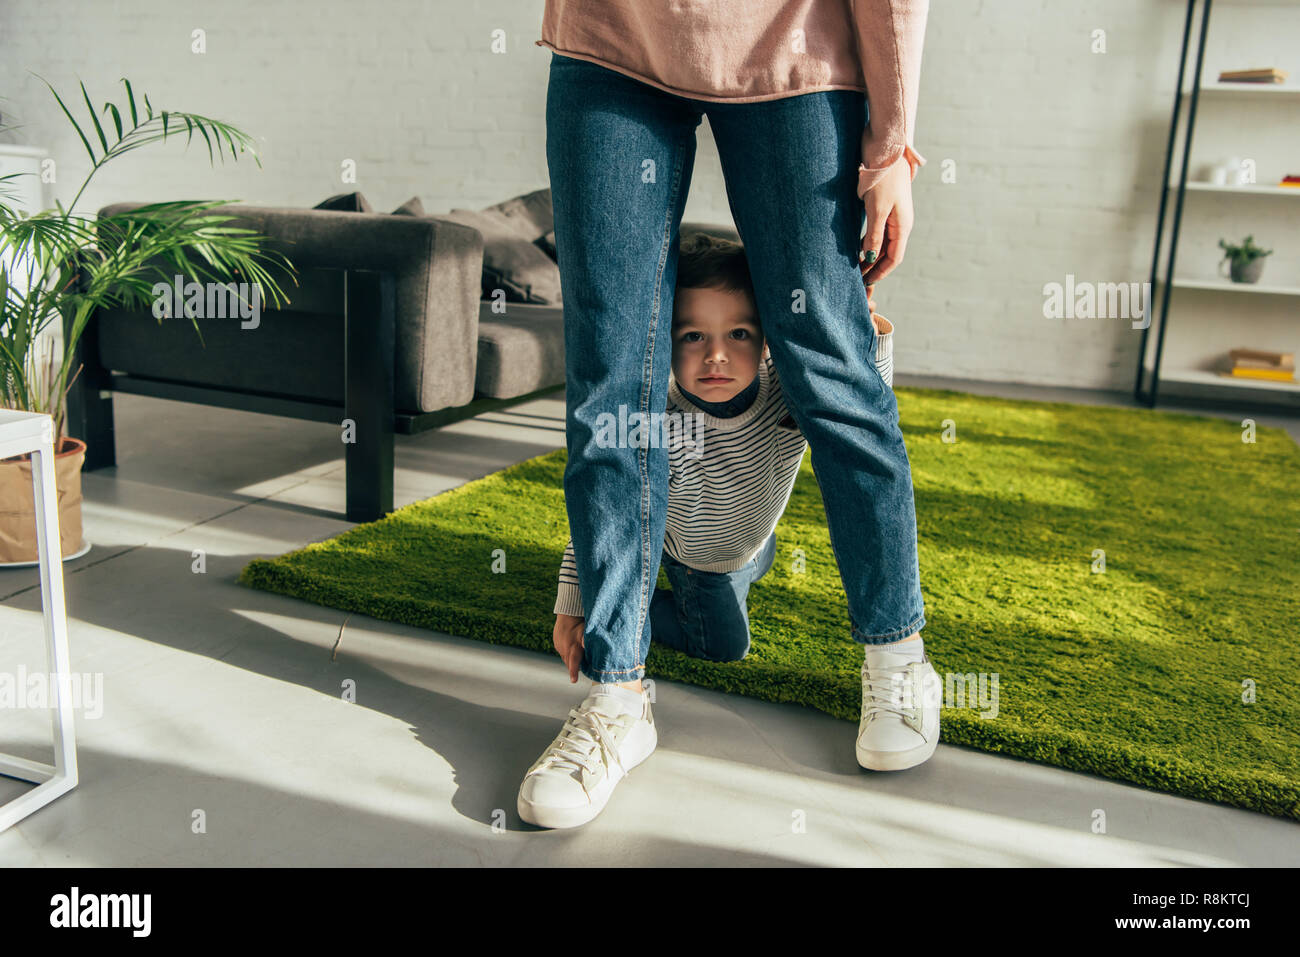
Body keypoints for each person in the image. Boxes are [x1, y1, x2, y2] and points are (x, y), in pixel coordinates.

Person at [518, 0, 938, 830]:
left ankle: (897, 655)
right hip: (613, 42)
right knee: (611, 378)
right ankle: (615, 694)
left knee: (830, 359)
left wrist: (890, 142)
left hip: (795, 46)